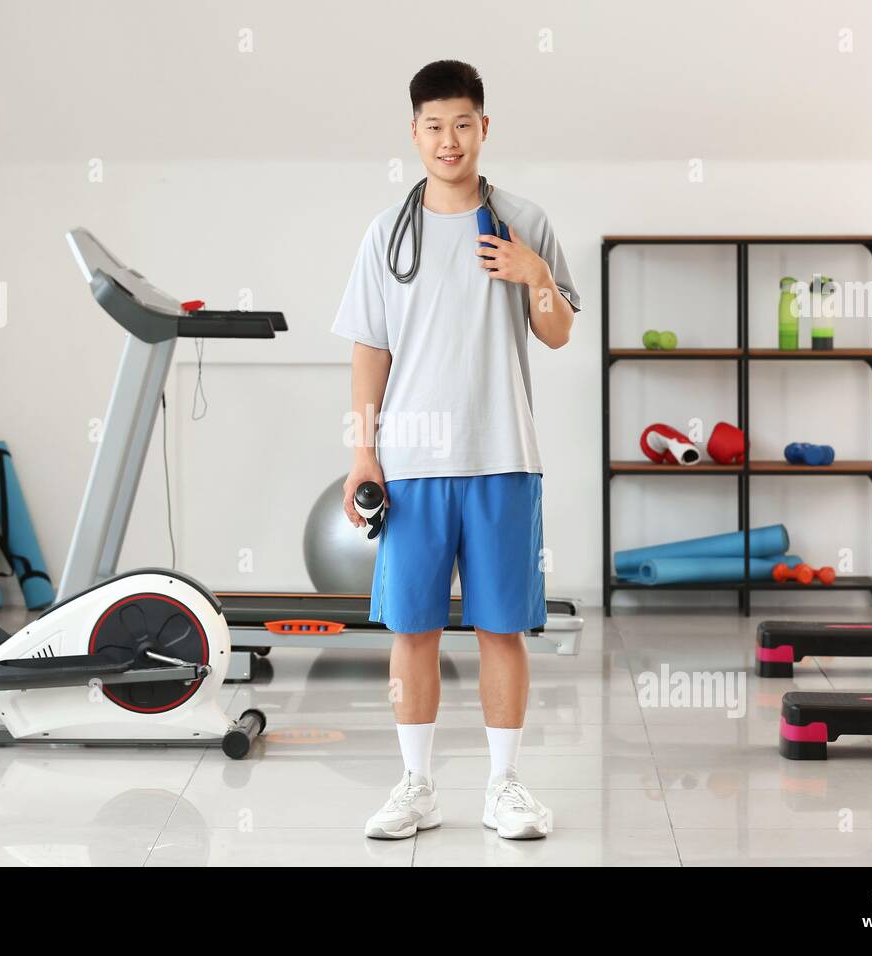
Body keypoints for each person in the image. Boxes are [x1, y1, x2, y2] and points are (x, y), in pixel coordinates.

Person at [331, 60, 580, 840]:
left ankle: (504, 787)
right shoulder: (386, 233)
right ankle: (416, 785)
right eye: (434, 126)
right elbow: (370, 349)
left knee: (502, 626)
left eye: (463, 124)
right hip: (410, 462)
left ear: (483, 128)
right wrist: (363, 453)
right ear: (415, 132)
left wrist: (534, 272)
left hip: (504, 454)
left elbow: (558, 330)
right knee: (413, 630)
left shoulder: (524, 222)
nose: (448, 140)